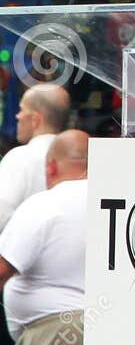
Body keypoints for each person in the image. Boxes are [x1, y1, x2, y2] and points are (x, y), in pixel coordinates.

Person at [0, 131, 114, 345]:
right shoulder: (117, 201)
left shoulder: (48, 203)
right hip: (111, 339)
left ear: (51, 168)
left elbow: (2, 268)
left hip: (58, 339)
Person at [0, 83, 70, 233]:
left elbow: (1, 214)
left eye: (22, 110)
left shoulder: (19, 157)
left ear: (35, 119)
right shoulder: (76, 159)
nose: (17, 116)